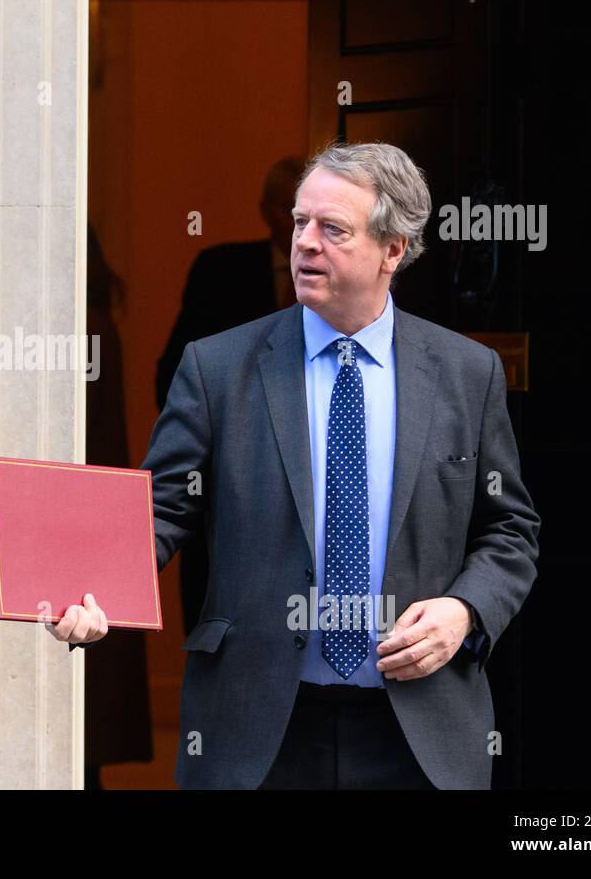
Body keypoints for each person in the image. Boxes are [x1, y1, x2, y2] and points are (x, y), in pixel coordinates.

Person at [51, 141, 539, 789]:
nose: (304, 243)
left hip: (419, 734)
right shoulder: (217, 367)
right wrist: (95, 585)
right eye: (299, 223)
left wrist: (464, 612)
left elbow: (510, 532)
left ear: (393, 249)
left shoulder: (463, 373)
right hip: (256, 731)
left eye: (332, 229)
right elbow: (162, 509)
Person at [154, 155, 304, 634]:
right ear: (265, 211)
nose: (307, 237)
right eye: (294, 214)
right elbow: (172, 376)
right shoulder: (222, 272)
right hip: (225, 500)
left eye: (328, 224)